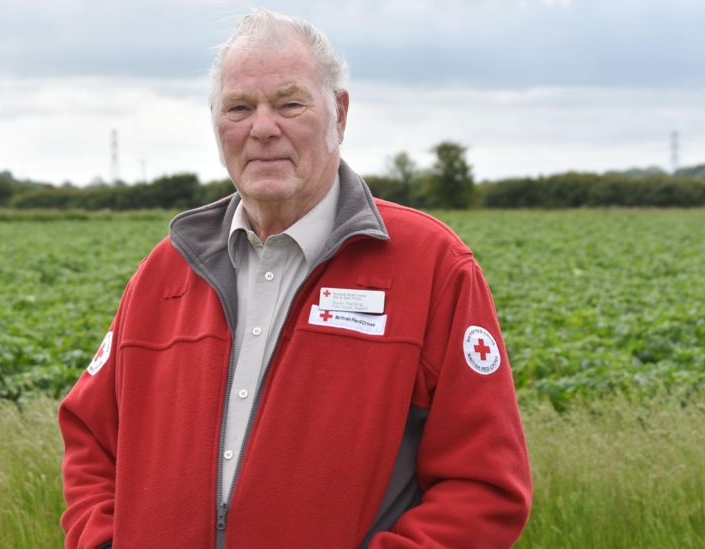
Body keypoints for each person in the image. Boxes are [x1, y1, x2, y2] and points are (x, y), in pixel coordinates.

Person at [58, 8, 531, 549]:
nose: (263, 128)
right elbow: (91, 438)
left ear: (340, 115)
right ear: (215, 122)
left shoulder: (431, 268)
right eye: (239, 107)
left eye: (289, 103)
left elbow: (485, 486)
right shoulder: (167, 271)